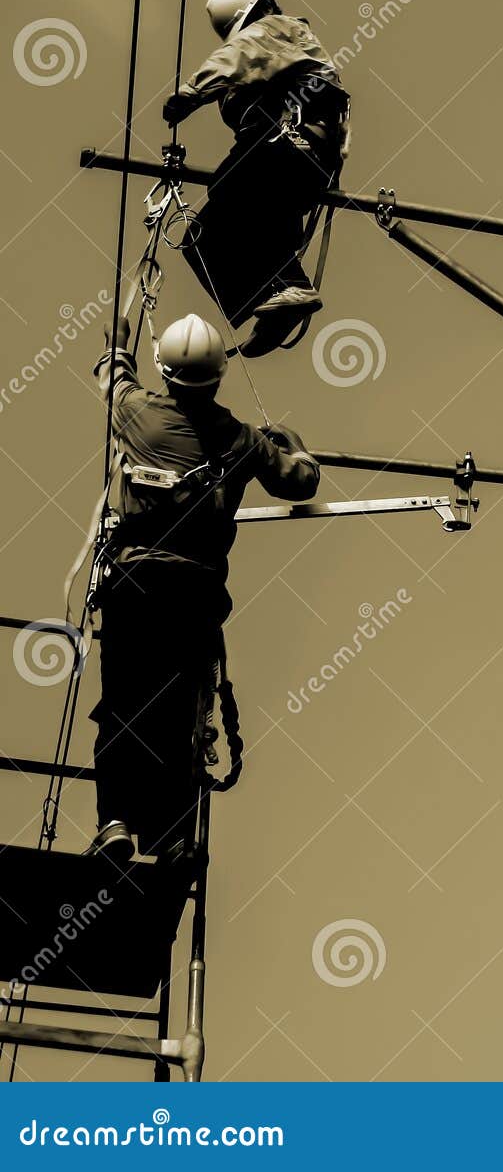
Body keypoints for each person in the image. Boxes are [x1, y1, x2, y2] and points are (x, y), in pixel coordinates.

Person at [86, 313, 321, 866]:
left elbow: (112, 377)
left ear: (166, 373)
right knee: (176, 712)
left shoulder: (138, 413)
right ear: (218, 377)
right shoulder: (241, 441)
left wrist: (118, 344)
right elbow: (300, 482)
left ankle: (116, 822)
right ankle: (170, 835)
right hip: (194, 596)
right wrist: (292, 441)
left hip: (136, 585)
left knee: (123, 702)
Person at [162, 0, 349, 358]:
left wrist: (192, 92)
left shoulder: (274, 30)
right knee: (200, 238)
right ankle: (276, 304)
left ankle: (288, 284)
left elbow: (240, 54)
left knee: (230, 185)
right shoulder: (270, 53)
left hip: (293, 146)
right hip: (282, 162)